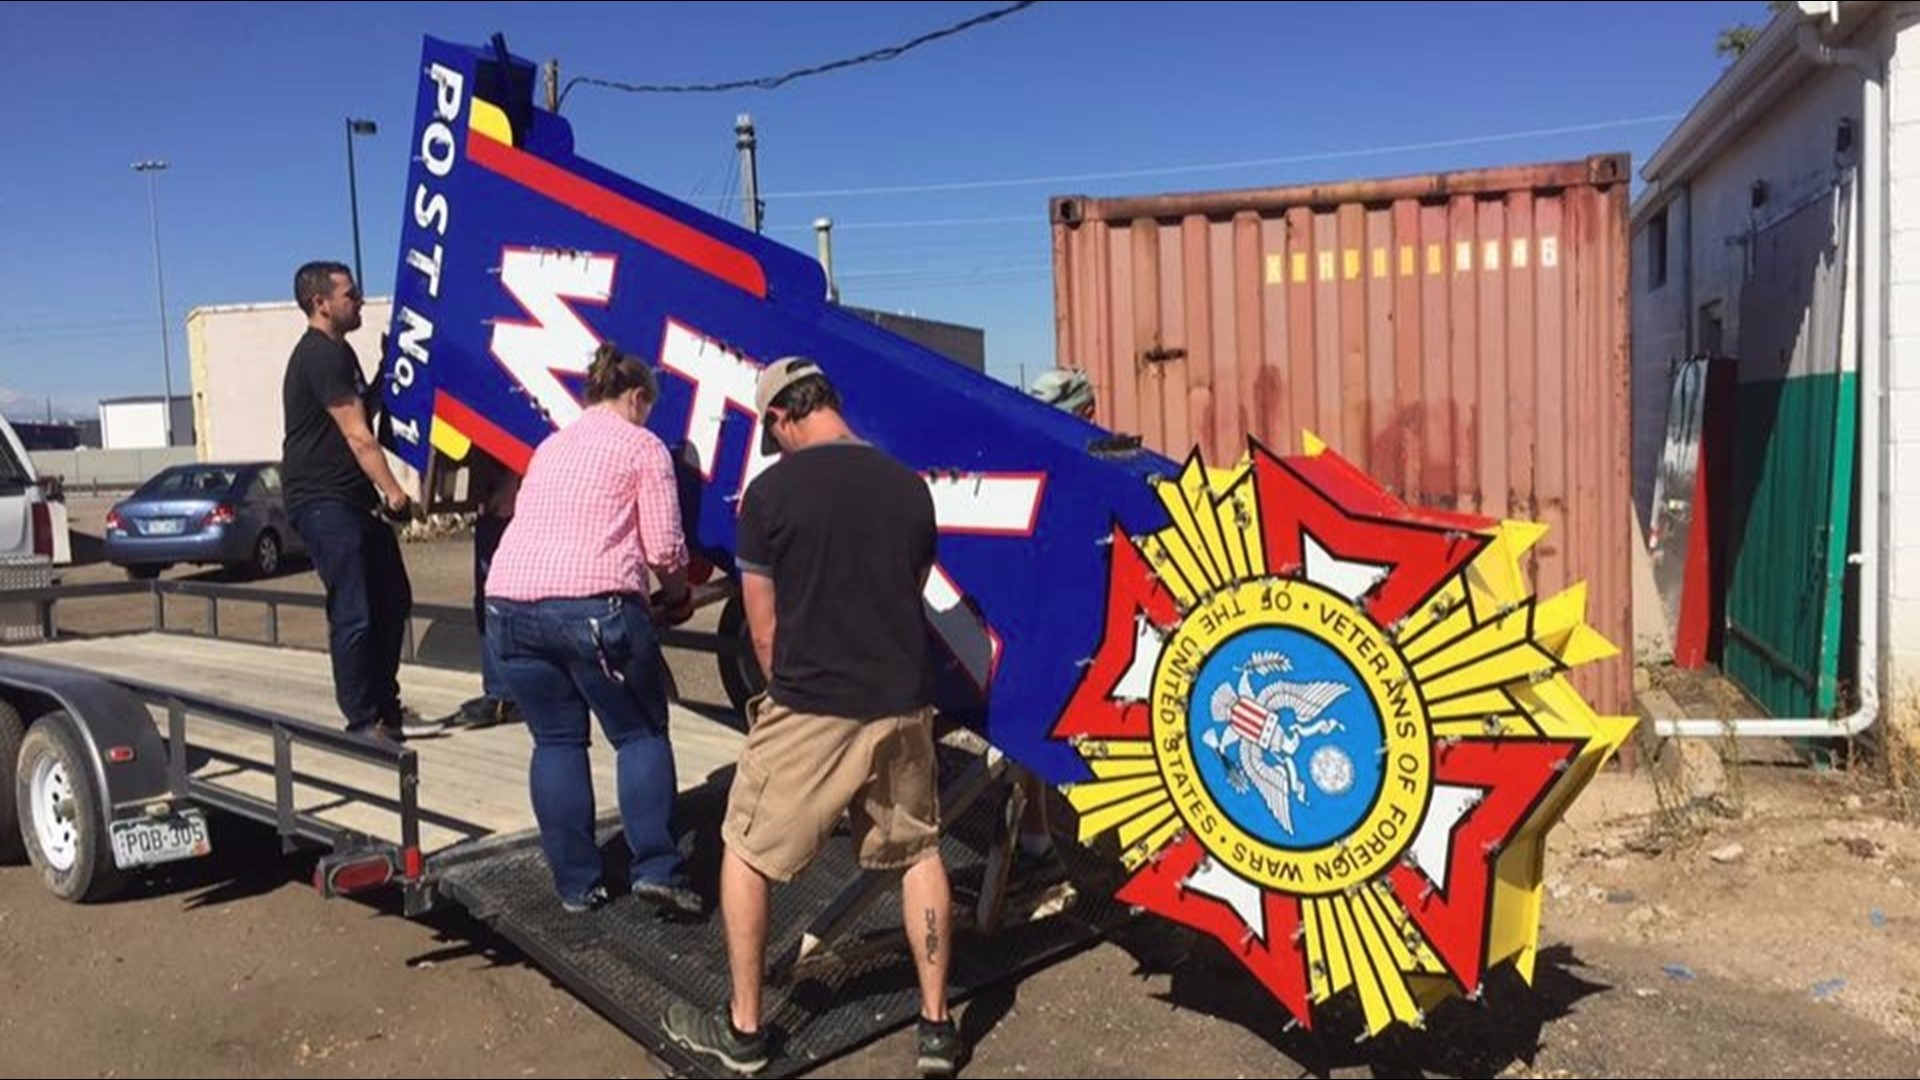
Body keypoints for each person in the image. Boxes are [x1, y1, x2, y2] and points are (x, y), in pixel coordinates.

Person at [664, 358, 960, 1078]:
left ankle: (743, 1031)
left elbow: (762, 629)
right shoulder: (908, 487)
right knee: (918, 852)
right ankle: (936, 1028)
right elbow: (912, 586)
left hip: (812, 701)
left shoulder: (770, 494)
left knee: (745, 847)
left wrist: (782, 699)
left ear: (780, 418)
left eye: (774, 435)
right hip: (901, 700)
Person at [484, 342, 700, 917]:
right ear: (637, 397)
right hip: (594, 611)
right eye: (648, 407)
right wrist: (678, 595)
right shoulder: (642, 447)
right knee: (640, 734)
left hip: (508, 606)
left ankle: (578, 885)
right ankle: (656, 868)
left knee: (555, 741)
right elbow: (664, 547)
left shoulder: (550, 447)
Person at [282, 260, 428, 741]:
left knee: (393, 598)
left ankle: (385, 706)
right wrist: (394, 493)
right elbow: (358, 436)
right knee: (355, 608)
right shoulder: (319, 355)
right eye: (350, 294)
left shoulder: (341, 354)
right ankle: (363, 721)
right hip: (323, 499)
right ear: (321, 303)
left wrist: (389, 369)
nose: (359, 299)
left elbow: (365, 409)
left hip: (352, 499)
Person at [451, 451, 524, 728]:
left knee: (499, 598)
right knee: (488, 598)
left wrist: (511, 483)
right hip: (493, 488)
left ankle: (505, 694)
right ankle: (500, 691)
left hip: (514, 494)